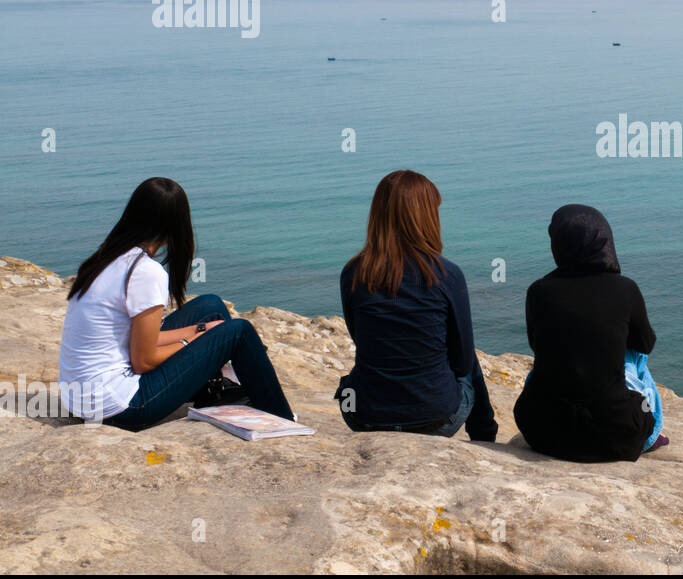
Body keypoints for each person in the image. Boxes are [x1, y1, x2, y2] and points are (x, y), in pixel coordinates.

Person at [59, 177, 295, 429]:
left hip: (80, 399)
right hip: (122, 407)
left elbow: (133, 341)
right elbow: (144, 361)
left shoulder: (107, 256)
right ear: (177, 224)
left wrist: (200, 330)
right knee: (239, 331)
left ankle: (213, 390)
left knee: (210, 306)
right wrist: (189, 341)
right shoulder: (145, 272)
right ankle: (279, 417)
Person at [334, 170, 497, 441]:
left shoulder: (353, 272)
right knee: (471, 360)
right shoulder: (447, 274)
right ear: (425, 218)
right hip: (436, 420)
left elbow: (359, 338)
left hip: (363, 417)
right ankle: (484, 435)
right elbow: (462, 361)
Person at [514, 204, 667, 462]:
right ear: (604, 239)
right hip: (617, 436)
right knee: (634, 354)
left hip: (542, 431)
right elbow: (646, 343)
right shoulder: (625, 289)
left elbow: (535, 345)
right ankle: (651, 438)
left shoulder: (538, 291)